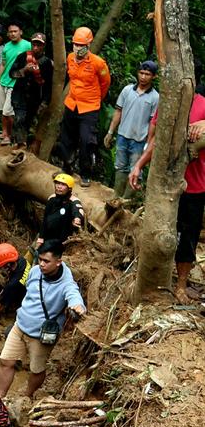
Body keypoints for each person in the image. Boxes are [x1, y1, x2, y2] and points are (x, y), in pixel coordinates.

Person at [129, 89, 205, 303]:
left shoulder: (203, 104)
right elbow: (157, 140)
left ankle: (181, 285)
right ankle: (150, 280)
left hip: (194, 185)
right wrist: (138, 165)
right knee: (158, 233)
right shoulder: (168, 103)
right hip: (163, 186)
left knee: (188, 238)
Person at [0, 240, 85, 398]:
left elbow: (74, 295)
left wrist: (77, 307)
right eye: (40, 259)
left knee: (36, 369)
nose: (41, 264)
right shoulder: (35, 271)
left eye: (46, 261)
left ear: (58, 262)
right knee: (6, 361)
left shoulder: (66, 283)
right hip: (20, 326)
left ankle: (26, 396)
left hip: (40, 336)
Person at [54, 27, 111, 185]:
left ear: (89, 45)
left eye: (81, 45)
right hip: (72, 104)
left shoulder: (98, 63)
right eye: (76, 44)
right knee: (66, 139)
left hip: (90, 107)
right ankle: (66, 167)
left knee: (87, 141)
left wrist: (96, 99)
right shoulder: (70, 58)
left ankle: (85, 173)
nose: (78, 48)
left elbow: (105, 83)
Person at [103, 60, 159, 199]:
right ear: (137, 73)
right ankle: (116, 196)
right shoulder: (127, 90)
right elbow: (118, 111)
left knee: (135, 169)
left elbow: (153, 123)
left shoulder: (155, 97)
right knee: (120, 166)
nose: (143, 77)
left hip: (140, 139)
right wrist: (110, 132)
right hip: (123, 135)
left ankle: (126, 200)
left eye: (147, 74)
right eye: (141, 73)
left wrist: (148, 142)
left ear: (154, 76)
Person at [11, 33, 53, 149]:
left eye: (39, 45)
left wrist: (45, 101)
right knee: (19, 117)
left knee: (28, 121)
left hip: (34, 98)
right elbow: (12, 74)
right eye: (34, 44)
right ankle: (20, 144)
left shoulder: (47, 63)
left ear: (43, 46)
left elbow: (48, 84)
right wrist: (24, 70)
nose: (36, 47)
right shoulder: (22, 57)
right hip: (19, 95)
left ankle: (22, 143)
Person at [0, 22, 31, 145]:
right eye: (10, 32)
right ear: (7, 34)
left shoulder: (28, 45)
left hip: (15, 84)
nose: (13, 33)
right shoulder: (6, 46)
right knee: (1, 110)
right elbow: (3, 64)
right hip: (4, 81)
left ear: (21, 32)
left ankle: (10, 136)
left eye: (15, 31)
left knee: (8, 111)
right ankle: (4, 133)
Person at [34, 174, 84, 250]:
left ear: (69, 188)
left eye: (63, 184)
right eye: (58, 183)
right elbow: (45, 219)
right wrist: (41, 237)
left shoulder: (73, 201)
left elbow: (78, 210)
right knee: (34, 253)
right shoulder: (51, 198)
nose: (59, 186)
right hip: (46, 237)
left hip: (62, 241)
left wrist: (77, 218)